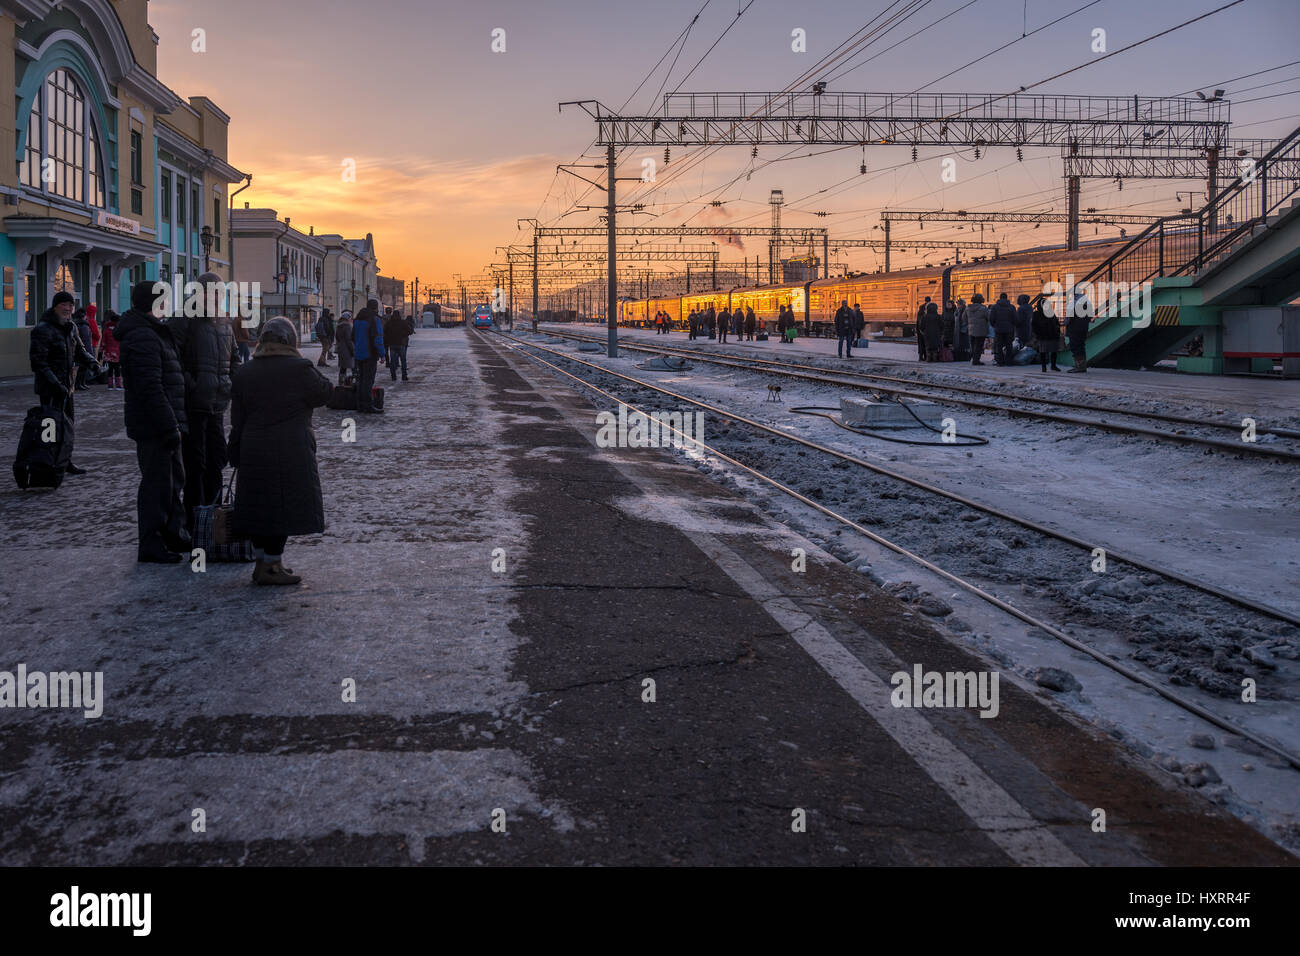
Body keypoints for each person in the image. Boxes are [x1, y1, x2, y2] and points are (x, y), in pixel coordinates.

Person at [227, 317, 334, 586]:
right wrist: (303, 363)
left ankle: (264, 563)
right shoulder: (299, 368)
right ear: (291, 341)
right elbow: (325, 393)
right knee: (282, 509)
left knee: (261, 507)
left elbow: (237, 420)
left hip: (253, 448)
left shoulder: (244, 372)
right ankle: (272, 566)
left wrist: (235, 450)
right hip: (291, 449)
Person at [117, 280, 189, 563]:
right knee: (157, 485)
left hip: (164, 420)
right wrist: (169, 425)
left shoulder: (154, 332)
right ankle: (151, 542)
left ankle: (173, 533)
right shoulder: (144, 336)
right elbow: (150, 387)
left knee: (172, 481)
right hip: (155, 424)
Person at [167, 271, 239, 533]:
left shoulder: (223, 321)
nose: (216, 297)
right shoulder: (184, 319)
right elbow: (172, 360)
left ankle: (215, 513)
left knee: (217, 458)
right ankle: (195, 516)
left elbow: (233, 359)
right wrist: (192, 383)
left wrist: (232, 382)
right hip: (194, 404)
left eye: (220, 292)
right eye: (211, 292)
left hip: (217, 404)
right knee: (195, 462)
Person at [29, 290, 97, 475]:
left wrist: (92, 363)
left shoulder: (71, 327)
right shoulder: (43, 329)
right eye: (64, 305)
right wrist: (55, 384)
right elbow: (38, 363)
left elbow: (80, 351)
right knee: (49, 429)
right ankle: (46, 463)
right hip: (50, 390)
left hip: (67, 388)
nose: (68, 308)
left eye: (71, 305)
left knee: (67, 427)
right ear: (55, 306)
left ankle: (64, 461)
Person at [352, 298, 385, 412]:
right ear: (376, 308)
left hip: (358, 354)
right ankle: (368, 405)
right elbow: (378, 338)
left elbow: (352, 337)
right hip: (370, 354)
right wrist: (382, 354)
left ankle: (359, 404)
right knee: (368, 380)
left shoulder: (357, 319)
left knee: (360, 379)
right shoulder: (374, 319)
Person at [1031, 298, 1063, 373]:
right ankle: (1045, 366)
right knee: (1044, 351)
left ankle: (1052, 366)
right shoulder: (1037, 314)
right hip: (1043, 335)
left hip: (1052, 335)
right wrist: (1038, 333)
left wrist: (1057, 330)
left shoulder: (1049, 313)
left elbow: (1056, 322)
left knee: (1053, 351)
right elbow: (1034, 325)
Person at [989, 292, 1018, 366]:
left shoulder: (995, 307)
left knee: (999, 346)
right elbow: (1015, 319)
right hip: (1009, 329)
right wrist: (1012, 325)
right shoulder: (1012, 307)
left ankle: (1000, 362)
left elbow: (991, 319)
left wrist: (995, 325)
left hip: (998, 329)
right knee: (1009, 345)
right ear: (1006, 298)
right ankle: (1009, 362)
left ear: (1000, 298)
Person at [385, 308, 411, 382]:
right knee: (403, 360)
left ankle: (393, 376)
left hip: (392, 344)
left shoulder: (389, 323)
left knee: (392, 361)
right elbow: (410, 331)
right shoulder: (403, 322)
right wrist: (404, 335)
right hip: (401, 344)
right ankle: (404, 376)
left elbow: (385, 332)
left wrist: (389, 338)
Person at [73, 308, 95, 390]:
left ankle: (82, 383)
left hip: (84, 348)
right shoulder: (82, 325)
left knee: (84, 367)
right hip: (83, 348)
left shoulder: (81, 325)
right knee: (82, 368)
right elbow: (85, 339)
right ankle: (79, 383)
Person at [1066, 298, 1091, 373]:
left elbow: (1068, 321)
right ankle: (1082, 366)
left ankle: (1078, 366)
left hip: (1075, 331)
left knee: (1076, 348)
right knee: (1080, 347)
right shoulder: (1086, 309)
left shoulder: (1075, 310)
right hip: (1082, 331)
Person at [965, 293, 990, 365]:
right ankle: (976, 360)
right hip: (981, 330)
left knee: (973, 345)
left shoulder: (967, 308)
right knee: (979, 346)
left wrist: (970, 323)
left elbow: (964, 318)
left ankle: (974, 358)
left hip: (971, 330)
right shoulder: (983, 308)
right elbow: (988, 317)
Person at [101, 311, 123, 389]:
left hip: (108, 353)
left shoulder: (106, 330)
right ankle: (118, 386)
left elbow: (103, 342)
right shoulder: (119, 330)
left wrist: (101, 352)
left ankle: (110, 385)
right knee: (117, 369)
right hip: (118, 353)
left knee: (110, 369)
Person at [334, 310, 355, 385]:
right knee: (353, 366)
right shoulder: (347, 326)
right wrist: (353, 350)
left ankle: (341, 380)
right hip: (347, 349)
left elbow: (337, 337)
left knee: (343, 367)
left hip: (341, 348)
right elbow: (349, 339)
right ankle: (355, 380)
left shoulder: (339, 326)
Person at [954, 297, 970, 361]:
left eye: (959, 304)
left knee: (964, 345)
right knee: (958, 345)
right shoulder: (957, 310)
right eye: (957, 304)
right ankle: (959, 357)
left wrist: (965, 328)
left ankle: (965, 357)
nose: (958, 305)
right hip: (957, 330)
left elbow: (967, 320)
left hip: (964, 330)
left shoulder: (966, 310)